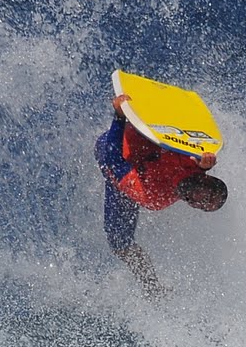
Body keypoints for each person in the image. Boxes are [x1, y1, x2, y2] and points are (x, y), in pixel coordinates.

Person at [95, 93, 227, 295]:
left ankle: (152, 286)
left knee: (120, 244)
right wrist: (202, 162)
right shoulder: (195, 165)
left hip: (112, 153)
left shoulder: (153, 197)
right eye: (208, 195)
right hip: (144, 140)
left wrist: (119, 116)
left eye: (202, 205)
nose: (199, 199)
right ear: (207, 179)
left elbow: (114, 162)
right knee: (160, 151)